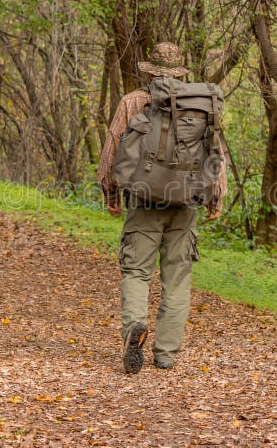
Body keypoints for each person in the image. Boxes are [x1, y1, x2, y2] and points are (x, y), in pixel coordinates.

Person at [97, 42, 227, 374]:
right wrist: (216, 196)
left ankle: (134, 328)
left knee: (137, 271)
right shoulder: (201, 105)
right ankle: (166, 353)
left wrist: (110, 193)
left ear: (150, 71)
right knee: (178, 278)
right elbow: (216, 153)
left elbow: (113, 151)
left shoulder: (134, 102)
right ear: (181, 72)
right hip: (186, 202)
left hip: (144, 201)